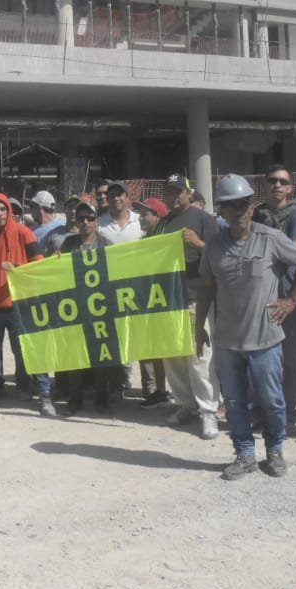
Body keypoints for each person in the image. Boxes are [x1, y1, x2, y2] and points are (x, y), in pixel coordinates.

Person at [197, 175, 296, 480]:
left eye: (244, 204)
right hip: (227, 342)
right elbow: (206, 288)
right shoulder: (214, 246)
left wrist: (292, 299)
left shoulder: (271, 238)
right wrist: (198, 327)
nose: (239, 210)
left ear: (251, 206)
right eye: (231, 206)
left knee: (273, 400)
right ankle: (245, 454)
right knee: (234, 402)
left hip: (265, 339)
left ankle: (274, 451)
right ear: (220, 211)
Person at [0, 191, 53, 415]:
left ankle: (43, 393)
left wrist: (16, 269)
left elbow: (39, 268)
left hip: (20, 305)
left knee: (29, 350)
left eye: (2, 209)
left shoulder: (24, 234)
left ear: (9, 210)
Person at [155, 174, 220, 440]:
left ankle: (208, 411)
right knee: (173, 356)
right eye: (168, 192)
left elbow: (221, 253)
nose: (173, 196)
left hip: (197, 296)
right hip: (169, 299)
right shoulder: (163, 223)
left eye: (177, 191)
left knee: (199, 357)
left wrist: (198, 244)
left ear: (188, 193)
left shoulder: (204, 220)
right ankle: (185, 404)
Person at [253, 163, 296, 426]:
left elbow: (295, 250)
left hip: (289, 298)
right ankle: (262, 410)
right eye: (272, 180)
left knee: (289, 361)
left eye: (282, 181)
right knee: (259, 359)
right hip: (261, 299)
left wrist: (263, 246)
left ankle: (288, 414)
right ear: (265, 185)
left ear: (290, 187)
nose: (276, 185)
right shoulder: (258, 213)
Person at [59, 202, 120, 416]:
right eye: (81, 218)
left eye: (89, 218)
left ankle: (101, 399)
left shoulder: (105, 243)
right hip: (76, 307)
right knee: (76, 354)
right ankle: (74, 399)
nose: (85, 222)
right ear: (76, 221)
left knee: (101, 355)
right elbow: (58, 272)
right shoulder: (68, 243)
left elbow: (115, 273)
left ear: (96, 221)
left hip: (100, 308)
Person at [134, 196, 171, 407]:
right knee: (153, 349)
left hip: (165, 300)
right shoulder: (144, 241)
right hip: (149, 300)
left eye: (145, 213)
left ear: (157, 216)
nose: (140, 217)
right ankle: (160, 391)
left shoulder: (166, 238)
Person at [97, 181, 143, 245]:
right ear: (108, 199)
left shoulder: (140, 220)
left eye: (119, 194)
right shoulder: (100, 224)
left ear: (127, 197)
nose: (116, 198)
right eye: (112, 195)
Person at [29, 190, 67, 255]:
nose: (30, 210)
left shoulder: (62, 228)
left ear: (39, 208)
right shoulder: (29, 230)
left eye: (31, 206)